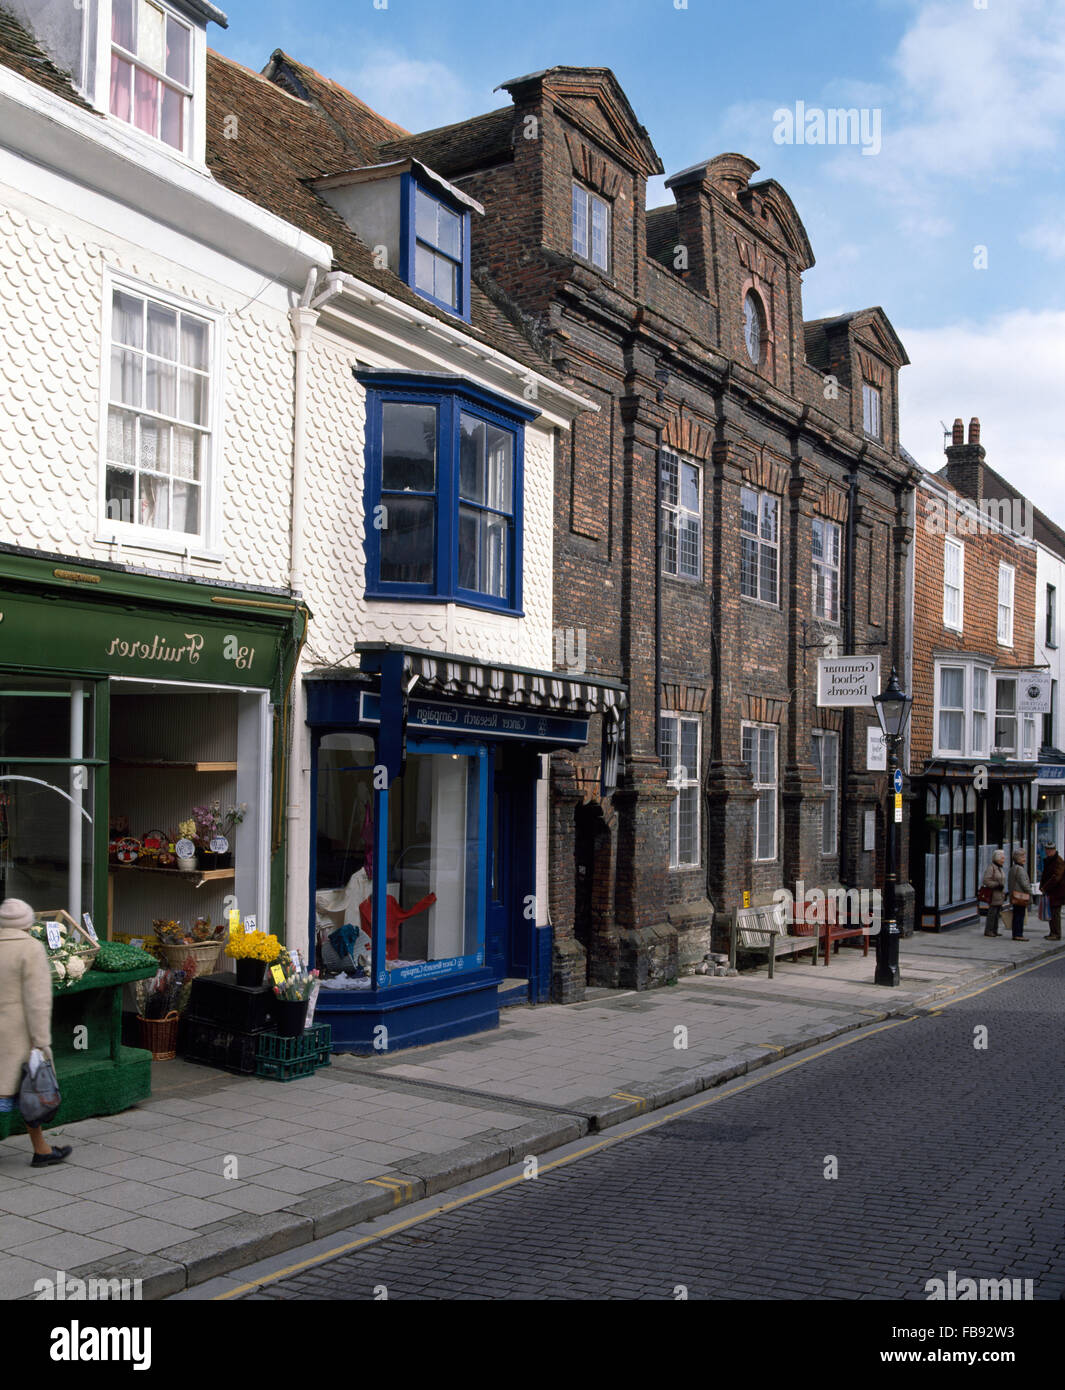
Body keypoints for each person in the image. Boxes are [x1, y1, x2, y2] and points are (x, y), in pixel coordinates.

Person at [0, 898, 71, 1167]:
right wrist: (42, 1042)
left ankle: (42, 1150)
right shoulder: (30, 948)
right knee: (32, 1093)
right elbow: (38, 1001)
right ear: (27, 923)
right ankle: (41, 1151)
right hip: (19, 1035)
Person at [1039, 843, 1065, 941]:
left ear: (1054, 850)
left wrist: (1045, 887)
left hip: (1057, 892)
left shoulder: (1058, 861)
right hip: (1051, 892)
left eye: (1050, 850)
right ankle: (1052, 932)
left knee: (1055, 913)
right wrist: (1042, 886)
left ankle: (1056, 934)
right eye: (1047, 849)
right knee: (1051, 913)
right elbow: (1045, 875)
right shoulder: (1049, 860)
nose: (1048, 851)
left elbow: (1056, 878)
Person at [1007, 849, 1032, 942]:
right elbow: (1024, 884)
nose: (1024, 858)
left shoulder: (1013, 868)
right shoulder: (1020, 869)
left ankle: (1016, 934)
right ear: (1017, 858)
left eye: (1024, 856)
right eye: (1022, 857)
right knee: (1019, 916)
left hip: (1014, 896)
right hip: (1020, 896)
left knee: (1017, 915)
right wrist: (1031, 892)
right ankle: (1018, 934)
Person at [982, 849, 1007, 937]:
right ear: (997, 859)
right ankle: (988, 930)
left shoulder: (1000, 868)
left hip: (999, 895)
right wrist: (996, 885)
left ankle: (995, 930)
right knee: (992, 913)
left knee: (997, 914)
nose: (1004, 860)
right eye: (1002, 858)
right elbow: (986, 880)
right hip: (993, 894)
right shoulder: (991, 868)